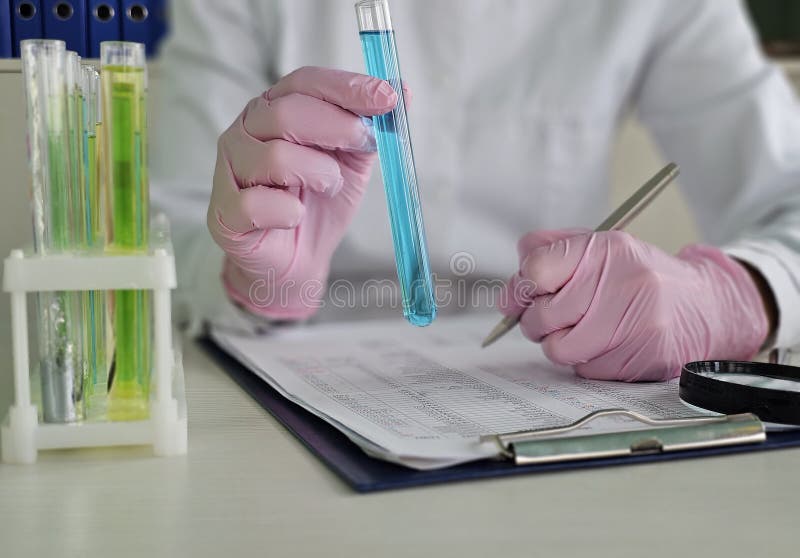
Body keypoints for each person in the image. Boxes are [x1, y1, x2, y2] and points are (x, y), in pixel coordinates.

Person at [151, 0, 800, 382]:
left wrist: (740, 295)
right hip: (290, 389)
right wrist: (248, 273)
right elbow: (163, 225)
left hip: (548, 376)